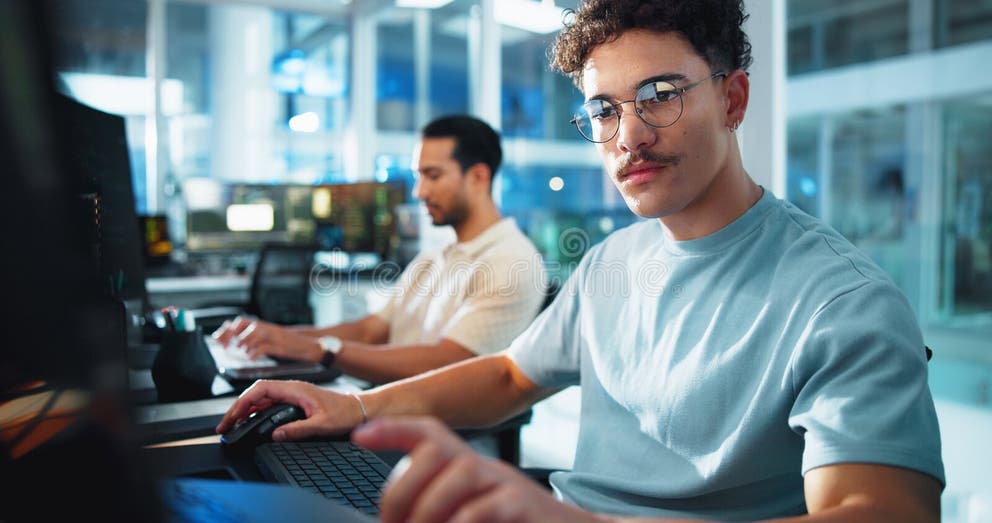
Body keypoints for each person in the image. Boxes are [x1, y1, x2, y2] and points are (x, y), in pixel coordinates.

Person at [217, 1, 945, 521]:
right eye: (603, 110)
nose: (627, 136)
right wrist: (352, 406)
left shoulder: (842, 299)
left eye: (659, 96)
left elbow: (882, 511)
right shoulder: (613, 263)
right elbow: (509, 374)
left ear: (734, 98)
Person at [213, 115, 545, 385]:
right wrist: (278, 336)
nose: (419, 191)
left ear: (478, 177)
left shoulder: (511, 262)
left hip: (441, 439)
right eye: (418, 176)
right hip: (384, 408)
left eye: (432, 176)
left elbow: (446, 364)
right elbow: (373, 329)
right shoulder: (438, 255)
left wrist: (321, 350)